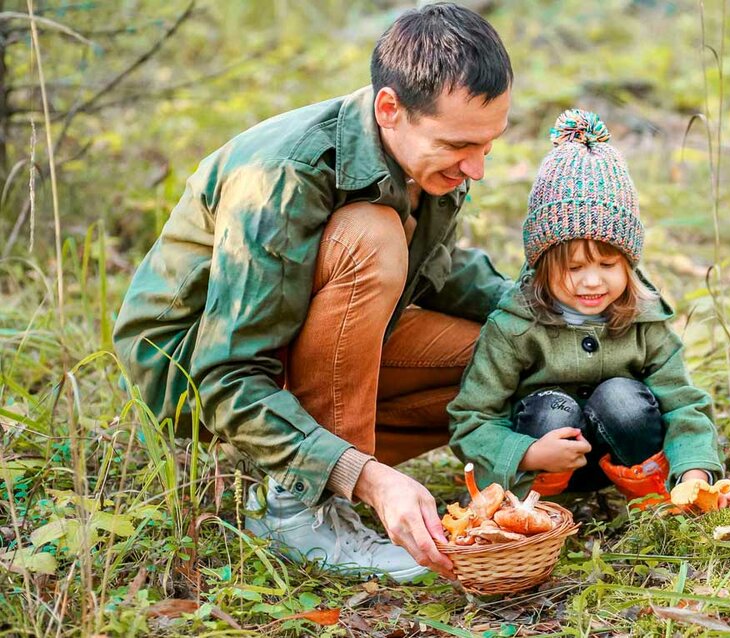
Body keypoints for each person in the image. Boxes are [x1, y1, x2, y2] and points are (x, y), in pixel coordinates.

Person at [112, 3, 514, 582]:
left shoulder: (426, 160)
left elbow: (441, 272)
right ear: (390, 109)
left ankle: (297, 466)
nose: (476, 167)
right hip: (195, 373)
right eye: (458, 145)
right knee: (369, 236)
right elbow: (224, 375)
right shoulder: (282, 175)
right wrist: (374, 480)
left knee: (500, 353)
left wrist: (562, 312)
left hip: (300, 347)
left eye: (489, 143)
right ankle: (302, 507)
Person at [446, 109, 730, 511]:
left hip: (623, 452)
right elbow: (472, 418)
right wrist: (526, 454)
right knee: (554, 409)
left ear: (630, 263)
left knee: (622, 398)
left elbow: (682, 403)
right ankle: (539, 505)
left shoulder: (644, 320)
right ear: (543, 264)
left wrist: (694, 473)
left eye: (607, 266)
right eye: (574, 267)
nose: (592, 282)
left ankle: (653, 494)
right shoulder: (515, 327)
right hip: (544, 459)